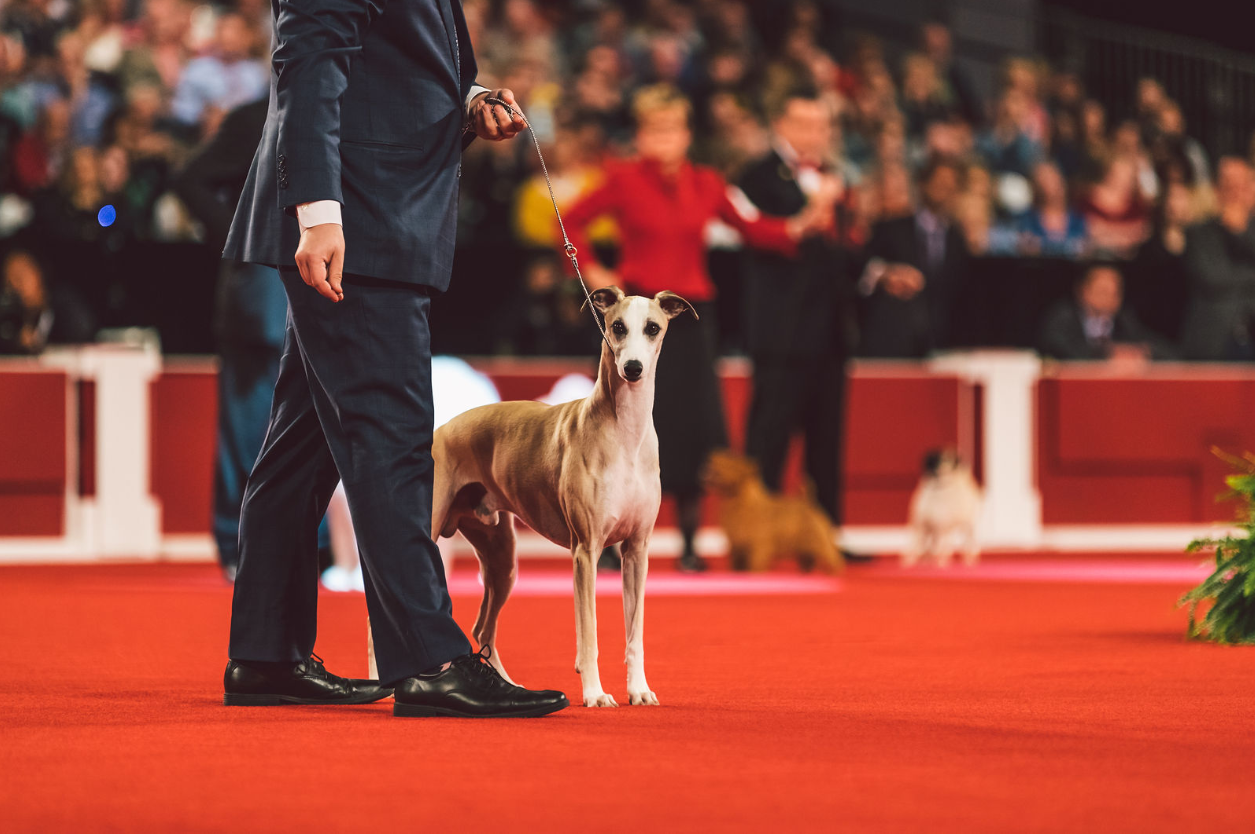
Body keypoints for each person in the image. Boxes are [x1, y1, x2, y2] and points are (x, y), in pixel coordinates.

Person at [220, 0, 567, 718]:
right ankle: (431, 660)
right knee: (393, 439)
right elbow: (307, 58)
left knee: (300, 451)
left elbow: (387, 64)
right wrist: (319, 212)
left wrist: (467, 103)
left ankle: (266, 653)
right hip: (357, 220)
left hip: (372, 216)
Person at [562, 84, 834, 572]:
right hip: (633, 323)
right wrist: (593, 273)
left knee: (691, 429)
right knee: (613, 429)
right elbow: (568, 223)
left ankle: (688, 544)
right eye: (652, 129)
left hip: (686, 326)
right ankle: (603, 540)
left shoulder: (708, 183)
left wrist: (803, 223)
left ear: (687, 135)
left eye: (671, 129)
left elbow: (754, 228)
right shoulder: (622, 179)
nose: (662, 138)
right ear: (640, 135)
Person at [174, 98, 336, 583]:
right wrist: (245, 236)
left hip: (313, 284)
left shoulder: (335, 107)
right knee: (249, 425)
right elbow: (190, 179)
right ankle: (239, 544)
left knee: (307, 421)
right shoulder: (254, 116)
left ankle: (312, 542)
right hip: (261, 291)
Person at [737, 88, 860, 536]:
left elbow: (843, 253)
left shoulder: (838, 177)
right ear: (781, 127)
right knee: (768, 434)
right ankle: (755, 534)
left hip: (829, 330)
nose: (816, 135)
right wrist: (820, 204)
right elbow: (762, 238)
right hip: (780, 330)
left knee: (827, 440)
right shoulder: (757, 176)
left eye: (823, 126)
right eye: (805, 124)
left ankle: (827, 534)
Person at [858, 156, 971, 358]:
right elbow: (862, 267)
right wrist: (886, 274)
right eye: (939, 182)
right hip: (893, 340)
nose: (944, 189)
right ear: (923, 183)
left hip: (940, 342)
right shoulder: (891, 228)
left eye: (950, 184)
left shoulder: (957, 239)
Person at [1180, 156, 1255, 360]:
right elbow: (1212, 279)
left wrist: (1240, 234)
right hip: (1214, 342)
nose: (1235, 193)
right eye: (1228, 186)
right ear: (1216, 189)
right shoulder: (1198, 233)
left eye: (1241, 186)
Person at [1037, 263, 1171, 361]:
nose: (1110, 298)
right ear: (1083, 291)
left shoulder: (1124, 320)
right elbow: (1058, 348)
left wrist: (1142, 351)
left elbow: (1158, 347)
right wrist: (1105, 353)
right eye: (1103, 291)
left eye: (1116, 292)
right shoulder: (1064, 317)